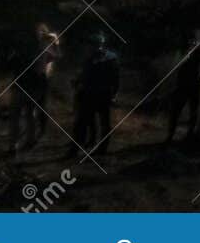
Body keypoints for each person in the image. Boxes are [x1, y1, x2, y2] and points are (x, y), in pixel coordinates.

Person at [69, 30, 120, 158]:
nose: (89, 47)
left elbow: (115, 78)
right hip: (88, 94)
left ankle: (101, 149)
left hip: (102, 94)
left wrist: (114, 94)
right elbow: (84, 74)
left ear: (99, 44)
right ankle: (75, 149)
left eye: (92, 44)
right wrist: (77, 82)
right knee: (82, 123)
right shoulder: (89, 58)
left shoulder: (110, 58)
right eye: (90, 44)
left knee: (103, 123)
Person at [11, 24, 60, 154]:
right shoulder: (42, 50)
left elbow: (51, 60)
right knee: (27, 114)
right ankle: (24, 141)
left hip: (29, 85)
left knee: (25, 115)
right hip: (29, 85)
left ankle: (20, 142)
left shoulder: (41, 50)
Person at [164, 29, 200, 146]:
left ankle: (189, 135)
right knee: (176, 111)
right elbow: (175, 63)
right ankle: (170, 136)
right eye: (191, 38)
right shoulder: (183, 49)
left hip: (195, 84)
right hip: (182, 84)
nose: (193, 41)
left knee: (193, 111)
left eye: (195, 38)